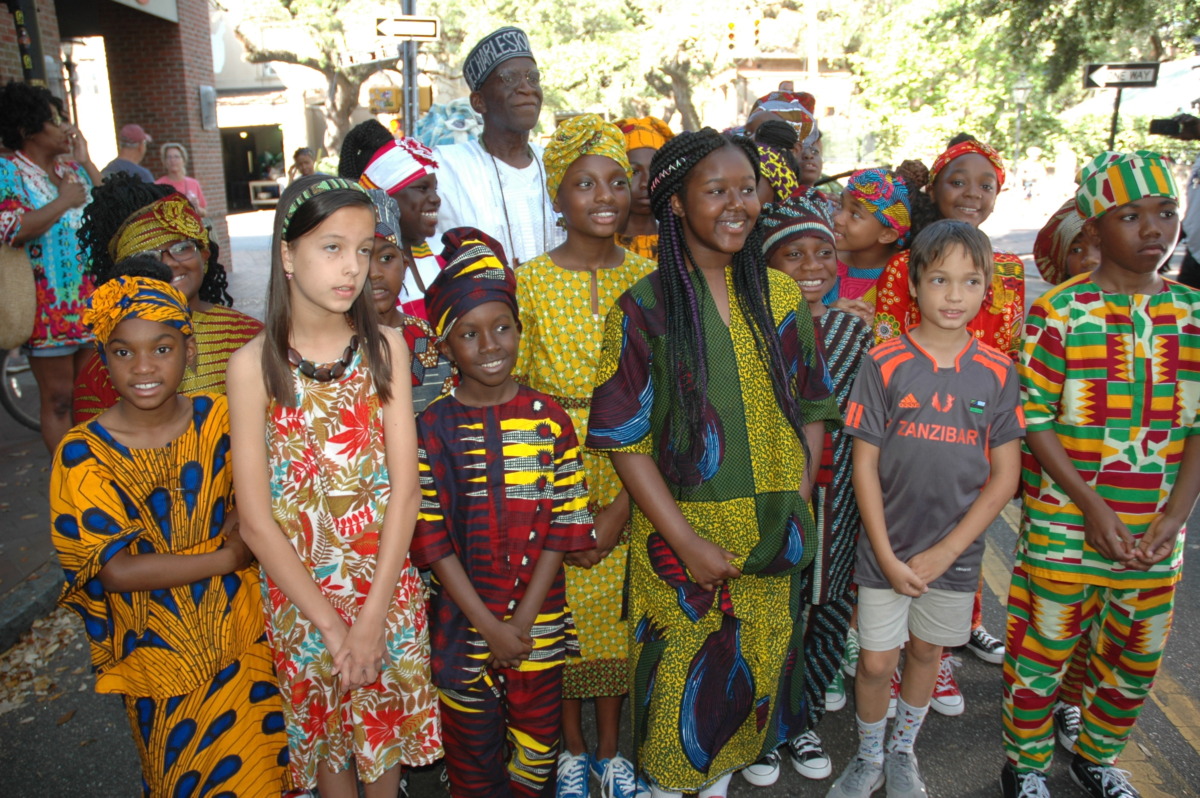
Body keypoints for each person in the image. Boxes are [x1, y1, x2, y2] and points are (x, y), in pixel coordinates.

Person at [587, 129, 841, 798]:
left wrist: (800, 505)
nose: (738, 204)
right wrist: (687, 542)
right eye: (716, 190)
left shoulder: (782, 298)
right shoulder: (642, 310)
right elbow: (627, 443)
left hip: (772, 549)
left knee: (741, 716)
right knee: (679, 719)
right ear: (675, 204)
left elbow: (813, 408)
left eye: (746, 188)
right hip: (685, 559)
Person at [225, 175, 441, 796]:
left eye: (366, 249)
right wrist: (331, 626)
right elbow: (257, 521)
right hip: (303, 603)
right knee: (330, 756)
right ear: (288, 255)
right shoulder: (252, 369)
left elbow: (405, 492)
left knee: (382, 746)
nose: (354, 269)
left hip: (386, 594)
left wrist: (370, 621)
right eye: (332, 248)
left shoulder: (387, 350)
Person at [50, 264, 292, 796]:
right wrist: (228, 557)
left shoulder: (223, 419)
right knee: (183, 776)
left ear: (190, 351)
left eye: (162, 348)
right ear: (103, 358)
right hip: (158, 659)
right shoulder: (82, 452)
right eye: (123, 351)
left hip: (245, 639)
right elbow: (117, 570)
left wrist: (254, 513)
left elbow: (271, 487)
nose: (144, 366)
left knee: (264, 773)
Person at [1001, 151, 1200, 798]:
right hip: (1066, 522)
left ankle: (1097, 754)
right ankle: (1026, 766)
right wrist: (1090, 506)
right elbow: (1035, 420)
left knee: (1135, 656)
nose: (1153, 228)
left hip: (1153, 534)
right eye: (1131, 214)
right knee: (1043, 654)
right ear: (1093, 227)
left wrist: (1173, 518)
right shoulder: (1061, 312)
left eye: (1166, 212)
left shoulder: (1194, 317)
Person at [831, 219, 1024, 798]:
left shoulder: (998, 370)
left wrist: (946, 551)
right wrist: (887, 556)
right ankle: (866, 757)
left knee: (925, 653)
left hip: (955, 558)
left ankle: (902, 754)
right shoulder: (884, 362)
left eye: (969, 282)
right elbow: (864, 464)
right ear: (914, 283)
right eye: (940, 279)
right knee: (873, 663)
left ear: (986, 288)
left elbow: (1005, 476)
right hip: (884, 553)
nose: (954, 295)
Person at [410, 228, 596, 797]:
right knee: (471, 760)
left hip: (537, 627)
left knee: (537, 754)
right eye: (469, 334)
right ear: (444, 347)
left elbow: (565, 529)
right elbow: (432, 539)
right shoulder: (431, 427)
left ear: (520, 330)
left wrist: (520, 625)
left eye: (502, 327)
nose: (490, 344)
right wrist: (491, 626)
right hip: (462, 628)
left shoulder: (551, 420)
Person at [512, 114, 656, 798]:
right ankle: (569, 753)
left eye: (618, 181)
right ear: (557, 196)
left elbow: (663, 396)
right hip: (551, 471)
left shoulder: (650, 277)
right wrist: (560, 504)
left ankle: (608, 753)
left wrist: (626, 503)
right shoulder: (530, 282)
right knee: (559, 615)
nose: (605, 195)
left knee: (614, 621)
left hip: (635, 465)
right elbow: (515, 394)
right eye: (584, 183)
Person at [872, 137, 1024, 691]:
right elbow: (886, 344)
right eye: (957, 180)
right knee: (903, 524)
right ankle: (887, 648)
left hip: (978, 421)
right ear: (933, 189)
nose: (971, 193)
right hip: (912, 422)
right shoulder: (902, 268)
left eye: (986, 184)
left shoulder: (1007, 270)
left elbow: (1007, 350)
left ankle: (951, 637)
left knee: (966, 527)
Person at [743, 188, 874, 785]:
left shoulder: (857, 334)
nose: (813, 267)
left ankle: (803, 720)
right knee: (770, 612)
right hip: (770, 496)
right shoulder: (749, 330)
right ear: (764, 264)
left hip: (838, 498)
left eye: (823, 251)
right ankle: (761, 728)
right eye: (792, 256)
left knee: (823, 611)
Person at [73, 175, 261, 421]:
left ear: (204, 254)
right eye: (147, 254)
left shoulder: (251, 338)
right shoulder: (108, 359)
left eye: (182, 247)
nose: (169, 263)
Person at [0, 80, 101, 451]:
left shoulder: (73, 169)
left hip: (90, 305)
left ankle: (95, 474)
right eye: (55, 120)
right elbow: (13, 229)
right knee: (59, 399)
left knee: (90, 397)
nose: (65, 128)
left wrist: (87, 160)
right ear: (28, 129)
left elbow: (109, 211)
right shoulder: (7, 171)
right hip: (47, 309)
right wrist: (62, 201)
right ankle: (67, 479)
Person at [433, 26, 564, 266]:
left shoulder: (560, 164)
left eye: (533, 78)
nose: (527, 88)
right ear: (479, 101)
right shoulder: (447, 169)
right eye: (510, 78)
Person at [340, 119, 443, 319]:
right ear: (385, 198)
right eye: (422, 189)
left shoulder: (446, 254)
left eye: (434, 188)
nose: (435, 199)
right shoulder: (361, 269)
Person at [364, 188, 454, 413]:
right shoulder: (334, 343)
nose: (374, 273)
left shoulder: (433, 341)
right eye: (362, 256)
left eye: (386, 258)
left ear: (404, 265)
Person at [829, 167, 917, 325]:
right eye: (840, 206)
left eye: (855, 214)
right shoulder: (821, 262)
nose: (837, 219)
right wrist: (826, 314)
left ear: (887, 235)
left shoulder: (904, 278)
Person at [614, 116, 674, 261]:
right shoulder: (602, 247)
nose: (646, 182)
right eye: (634, 172)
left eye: (655, 170)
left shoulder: (678, 247)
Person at [1031, 198, 1101, 287]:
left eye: (1101, 246)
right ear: (1064, 266)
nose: (1090, 260)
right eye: (1076, 250)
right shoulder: (1051, 301)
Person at [155, 142, 207, 218]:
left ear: (183, 160)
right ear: (164, 162)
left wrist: (196, 208)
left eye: (176, 157)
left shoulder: (193, 183)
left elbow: (204, 213)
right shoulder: (158, 185)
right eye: (169, 157)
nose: (172, 160)